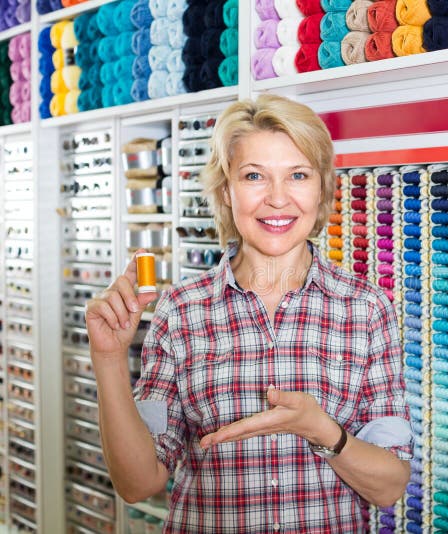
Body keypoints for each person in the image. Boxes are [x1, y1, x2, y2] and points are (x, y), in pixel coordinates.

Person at [85, 94, 412, 532]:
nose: (278, 199)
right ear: (227, 190)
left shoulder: (366, 309)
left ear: (321, 189)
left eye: (298, 175)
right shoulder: (182, 310)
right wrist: (107, 360)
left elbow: (389, 486)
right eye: (254, 176)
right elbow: (138, 483)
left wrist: (323, 431)